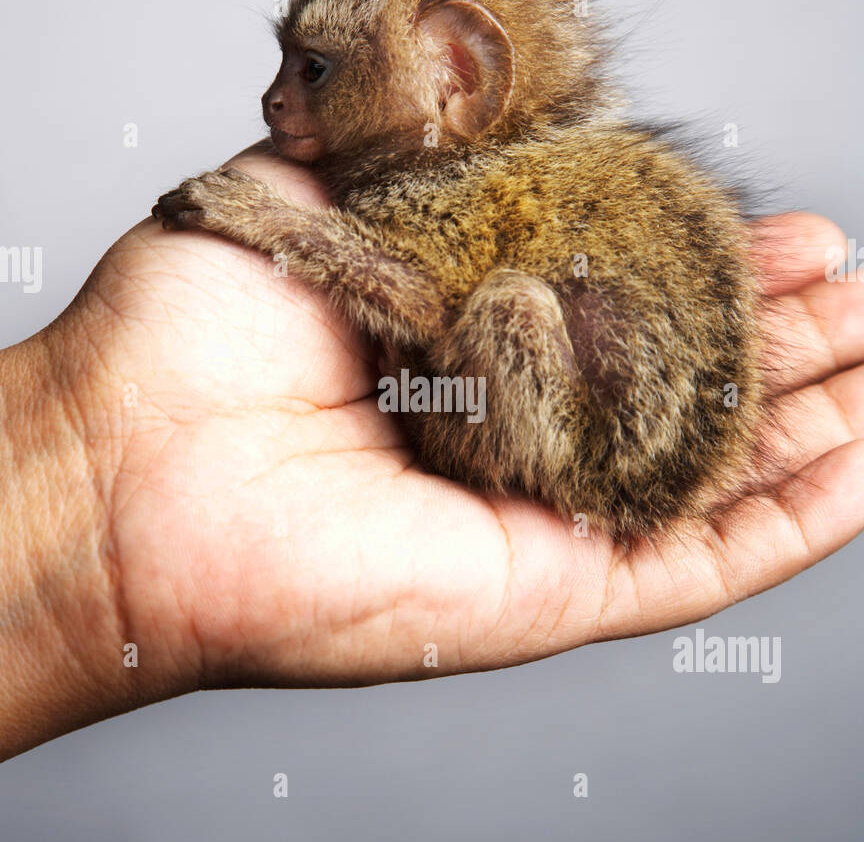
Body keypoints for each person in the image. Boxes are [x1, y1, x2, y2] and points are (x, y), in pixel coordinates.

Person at [1, 143, 863, 761]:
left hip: (561, 420)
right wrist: (84, 466)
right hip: (546, 419)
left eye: (315, 70)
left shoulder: (470, 172)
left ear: (458, 78)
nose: (275, 102)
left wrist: (274, 223)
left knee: (507, 308)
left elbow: (414, 293)